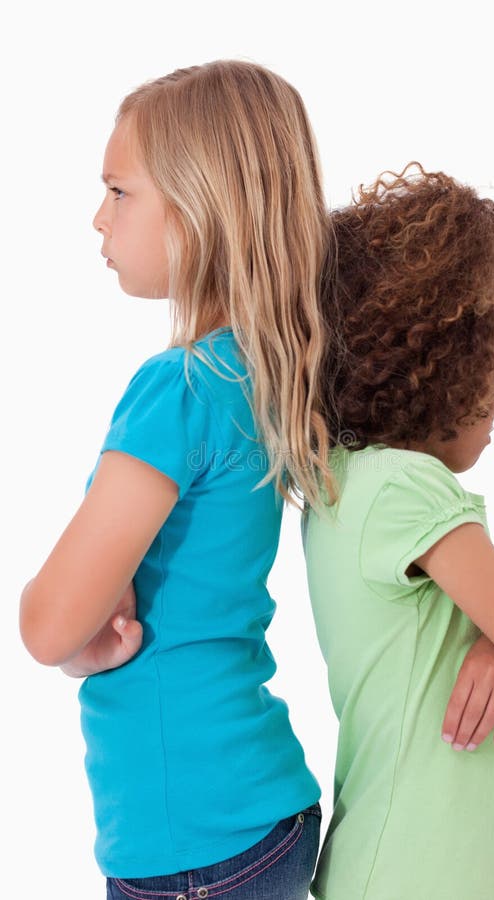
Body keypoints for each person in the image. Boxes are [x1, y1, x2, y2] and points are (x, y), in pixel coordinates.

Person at [19, 60, 338, 900]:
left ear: (202, 211)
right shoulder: (260, 377)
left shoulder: (181, 389)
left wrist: (76, 640)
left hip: (195, 850)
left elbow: (49, 623)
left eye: (119, 191)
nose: (98, 217)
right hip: (253, 822)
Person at [302, 165, 494, 899]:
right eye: (493, 375)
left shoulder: (347, 480)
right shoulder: (408, 489)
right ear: (446, 374)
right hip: (419, 874)